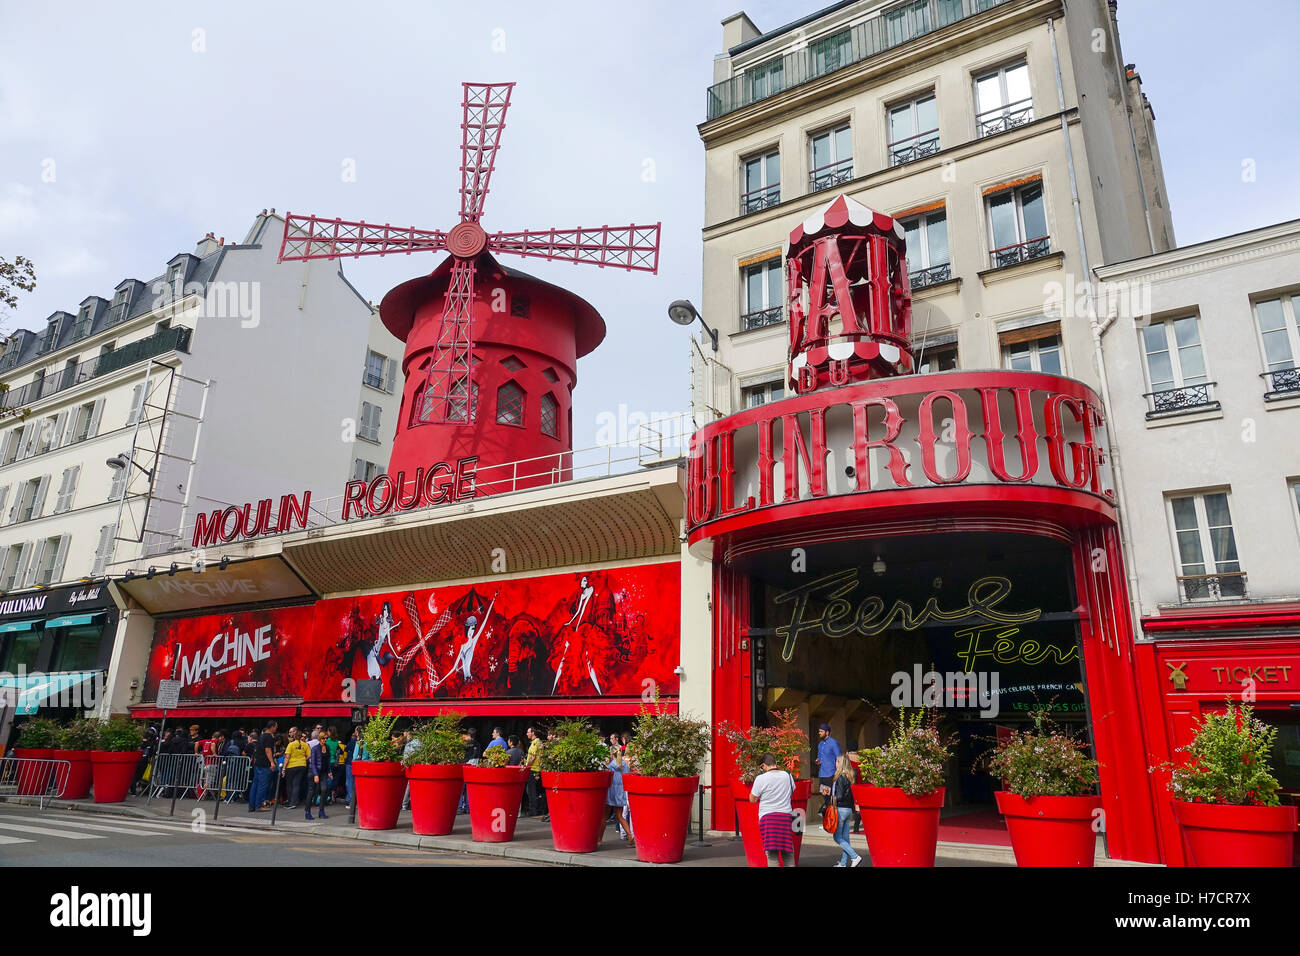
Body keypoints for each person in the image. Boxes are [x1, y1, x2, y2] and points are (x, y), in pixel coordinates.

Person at [749, 753, 796, 867]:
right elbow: (792, 790)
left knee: (772, 855)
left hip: (768, 819)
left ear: (764, 765)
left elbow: (752, 799)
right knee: (788, 853)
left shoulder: (761, 778)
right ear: (776, 763)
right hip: (786, 818)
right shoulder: (787, 775)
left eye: (762, 767)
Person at [829, 754, 862, 867]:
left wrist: (830, 797)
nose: (835, 763)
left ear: (840, 763)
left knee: (837, 837)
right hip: (848, 809)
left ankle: (855, 856)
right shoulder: (850, 776)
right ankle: (843, 863)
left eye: (837, 762)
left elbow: (839, 795)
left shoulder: (840, 777)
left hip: (841, 809)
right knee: (845, 838)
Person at [601, 746, 633, 847]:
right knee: (620, 816)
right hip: (621, 793)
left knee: (604, 817)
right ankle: (630, 836)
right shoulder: (625, 765)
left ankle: (599, 839)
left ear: (612, 754)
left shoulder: (610, 766)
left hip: (611, 793)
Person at [248, 721, 277, 812]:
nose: (276, 729)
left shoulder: (262, 736)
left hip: (258, 762)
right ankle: (258, 805)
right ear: (272, 727)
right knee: (262, 785)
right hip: (264, 763)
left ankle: (251, 805)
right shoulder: (269, 737)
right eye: (276, 727)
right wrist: (272, 762)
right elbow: (268, 750)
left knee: (255, 784)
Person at [815, 723, 841, 811]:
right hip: (822, 774)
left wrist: (838, 773)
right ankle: (828, 820)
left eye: (821, 731)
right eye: (819, 731)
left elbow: (839, 758)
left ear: (827, 732)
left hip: (831, 774)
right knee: (825, 796)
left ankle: (833, 819)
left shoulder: (833, 743)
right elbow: (820, 758)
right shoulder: (820, 744)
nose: (819, 733)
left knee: (831, 797)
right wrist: (818, 761)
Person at [306, 730, 331, 820]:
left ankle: (321, 810)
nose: (325, 740)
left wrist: (329, 772)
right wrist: (315, 775)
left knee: (324, 789)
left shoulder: (327, 748)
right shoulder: (315, 748)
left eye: (326, 738)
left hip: (323, 772)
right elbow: (312, 763)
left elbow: (328, 761)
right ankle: (307, 811)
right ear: (320, 739)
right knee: (311, 791)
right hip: (314, 771)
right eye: (323, 738)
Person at [283, 728, 309, 810]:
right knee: (296, 784)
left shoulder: (291, 744)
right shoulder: (305, 745)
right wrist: (304, 759)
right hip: (302, 765)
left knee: (290, 785)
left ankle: (290, 801)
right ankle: (294, 802)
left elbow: (287, 757)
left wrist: (283, 768)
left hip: (291, 766)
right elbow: (309, 755)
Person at [523, 726, 545, 817]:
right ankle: (536, 809)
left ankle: (533, 811)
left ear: (533, 733)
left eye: (528, 732)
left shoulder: (535, 743)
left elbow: (533, 757)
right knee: (534, 791)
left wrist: (527, 767)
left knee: (531, 791)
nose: (527, 734)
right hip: (537, 769)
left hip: (533, 769)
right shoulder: (538, 742)